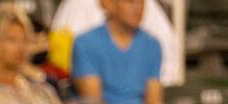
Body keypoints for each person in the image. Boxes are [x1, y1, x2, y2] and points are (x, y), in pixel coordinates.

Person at [48, 0, 179, 86]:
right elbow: (61, 66)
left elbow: (166, 77)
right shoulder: (79, 9)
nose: (137, 7)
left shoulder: (152, 43)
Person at [71, 0, 163, 104]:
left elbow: (153, 101)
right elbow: (94, 102)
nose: (138, 7)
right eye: (130, 2)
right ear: (108, 4)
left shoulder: (152, 45)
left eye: (141, 2)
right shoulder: (85, 43)